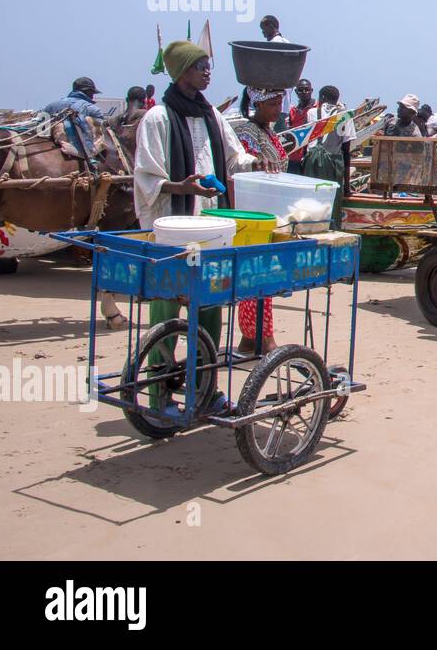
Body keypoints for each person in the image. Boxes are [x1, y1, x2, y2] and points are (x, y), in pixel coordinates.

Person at [133, 41, 258, 417]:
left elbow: (235, 159)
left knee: (210, 309)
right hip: (173, 230)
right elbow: (146, 178)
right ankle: (159, 396)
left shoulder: (213, 117)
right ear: (181, 71)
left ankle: (205, 391)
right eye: (200, 66)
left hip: (212, 227)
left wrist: (261, 162)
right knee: (167, 311)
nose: (207, 72)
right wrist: (184, 187)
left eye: (209, 66)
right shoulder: (157, 119)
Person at [229, 87, 290, 355]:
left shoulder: (268, 131)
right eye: (274, 104)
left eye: (279, 103)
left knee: (263, 278)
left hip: (269, 212)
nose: (278, 109)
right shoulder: (246, 131)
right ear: (258, 105)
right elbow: (239, 172)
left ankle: (250, 339)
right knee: (255, 278)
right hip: (252, 214)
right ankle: (263, 338)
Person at [304, 85, 355, 203]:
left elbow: (304, 144)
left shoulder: (311, 113)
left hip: (312, 160)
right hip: (333, 162)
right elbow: (346, 151)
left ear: (322, 97)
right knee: (330, 201)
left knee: (310, 198)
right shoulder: (345, 116)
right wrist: (346, 187)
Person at [43, 77, 109, 159]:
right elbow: (101, 133)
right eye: (92, 93)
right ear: (88, 91)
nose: (92, 97)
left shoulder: (50, 106)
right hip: (80, 147)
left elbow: (41, 131)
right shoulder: (92, 109)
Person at [284, 79, 314, 173]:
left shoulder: (317, 108)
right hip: (294, 156)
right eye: (300, 90)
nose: (304, 92)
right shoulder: (292, 111)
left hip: (310, 155)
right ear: (296, 92)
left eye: (306, 89)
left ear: (311, 90)